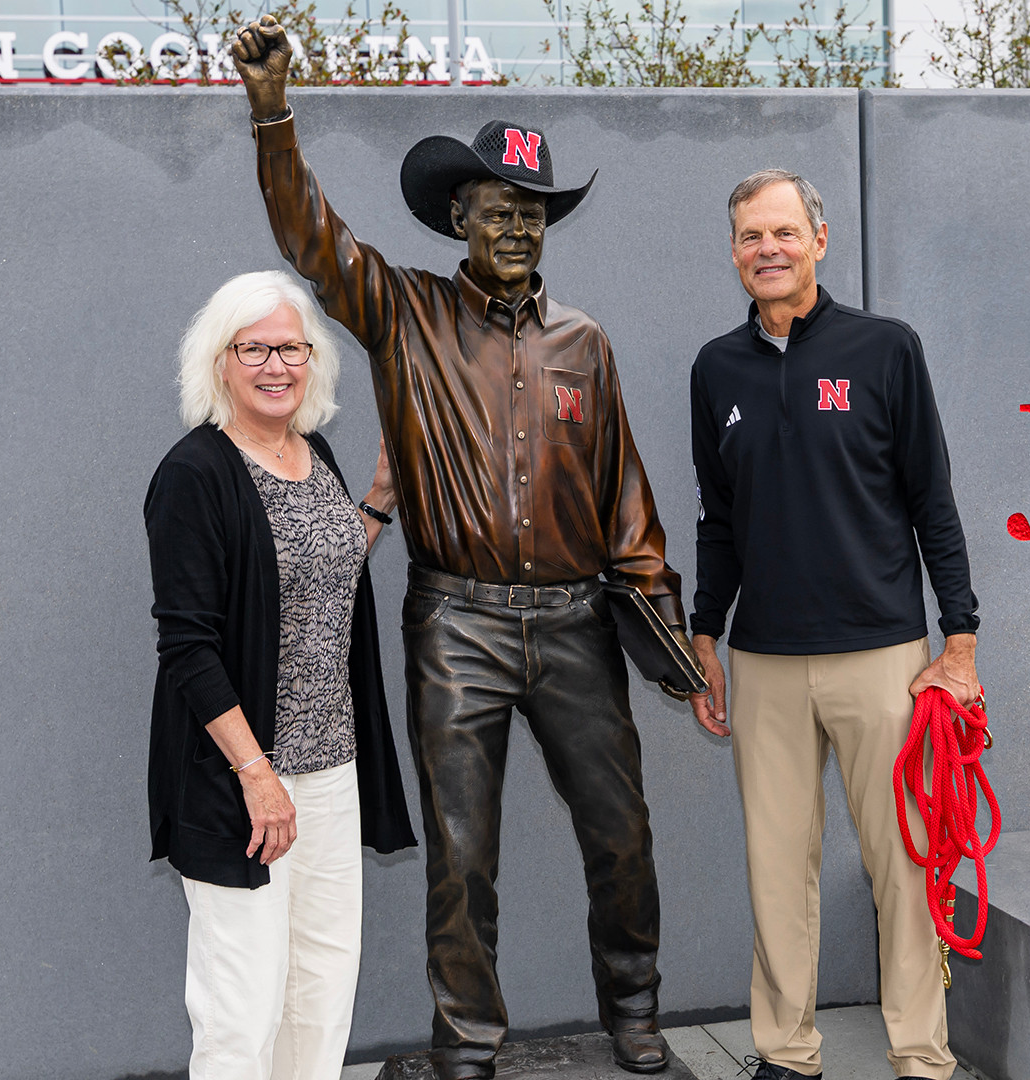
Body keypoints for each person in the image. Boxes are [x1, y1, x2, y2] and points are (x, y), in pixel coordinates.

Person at [226, 17, 690, 1078]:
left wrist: (669, 628)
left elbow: (626, 497)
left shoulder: (586, 344)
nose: (516, 229)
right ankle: (466, 1038)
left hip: (576, 624)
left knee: (621, 834)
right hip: (458, 624)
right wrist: (273, 113)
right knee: (462, 852)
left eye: (532, 212)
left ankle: (633, 1006)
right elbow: (313, 240)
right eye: (496, 211)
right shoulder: (407, 313)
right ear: (459, 219)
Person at [686, 170, 980, 1080]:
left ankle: (922, 1055)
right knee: (777, 870)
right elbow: (718, 518)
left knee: (906, 864)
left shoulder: (885, 348)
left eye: (782, 231)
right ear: (732, 253)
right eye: (748, 237)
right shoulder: (716, 369)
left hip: (884, 657)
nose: (766, 250)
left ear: (819, 238)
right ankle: (786, 1053)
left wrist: (958, 640)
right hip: (765, 659)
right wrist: (706, 637)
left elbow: (932, 497)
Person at [144, 270, 417, 1080]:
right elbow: (188, 648)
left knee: (320, 989)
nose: (276, 365)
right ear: (220, 361)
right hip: (242, 784)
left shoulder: (315, 453)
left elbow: (314, 583)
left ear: (313, 359)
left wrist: (374, 504)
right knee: (241, 1005)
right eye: (254, 347)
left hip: (332, 772)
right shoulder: (194, 475)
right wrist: (258, 776)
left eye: (290, 347)